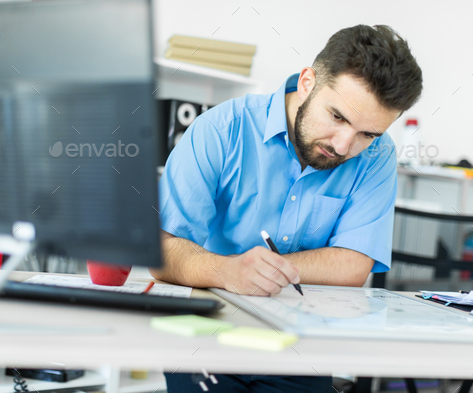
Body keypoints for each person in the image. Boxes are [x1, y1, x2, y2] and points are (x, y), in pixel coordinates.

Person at [151, 24, 423, 393]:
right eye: (338, 117)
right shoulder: (221, 130)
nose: (344, 146)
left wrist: (270, 270)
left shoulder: (377, 157)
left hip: (301, 343)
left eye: (367, 133)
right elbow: (162, 249)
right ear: (308, 82)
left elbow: (354, 265)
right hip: (207, 337)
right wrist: (228, 270)